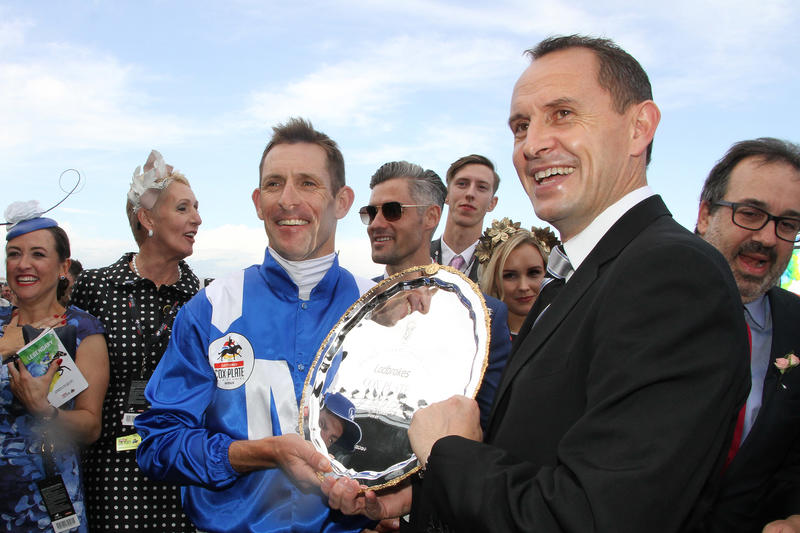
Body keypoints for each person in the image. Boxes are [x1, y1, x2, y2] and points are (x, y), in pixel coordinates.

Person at [323, 34, 750, 532]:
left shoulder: (674, 274)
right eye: (521, 126)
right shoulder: (575, 275)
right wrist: (421, 495)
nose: (532, 144)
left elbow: (595, 516)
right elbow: (536, 458)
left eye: (563, 114)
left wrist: (446, 453)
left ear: (639, 128)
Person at [134, 118, 374, 532]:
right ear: (258, 202)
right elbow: (158, 444)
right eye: (274, 184)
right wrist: (260, 453)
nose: (287, 200)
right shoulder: (210, 308)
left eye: (308, 183)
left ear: (342, 201)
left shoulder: (382, 308)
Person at [70, 150, 202, 531]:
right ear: (147, 219)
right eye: (183, 208)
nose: (197, 218)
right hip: (110, 472)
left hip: (177, 469)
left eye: (196, 208)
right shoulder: (96, 288)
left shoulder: (201, 299)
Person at [695, 138, 800, 533]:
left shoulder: (796, 324)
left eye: (787, 224)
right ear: (705, 214)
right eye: (751, 214)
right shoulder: (636, 304)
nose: (769, 238)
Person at [361, 161, 511, 431]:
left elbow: (487, 424)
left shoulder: (482, 315)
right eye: (371, 213)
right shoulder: (352, 300)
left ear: (431, 216)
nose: (376, 224)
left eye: (393, 211)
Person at [1, 207, 109, 532]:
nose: (23, 264)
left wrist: (44, 410)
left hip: (43, 506)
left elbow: (90, 427)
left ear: (63, 267)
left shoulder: (82, 330)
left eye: (38, 254)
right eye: (14, 254)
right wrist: (6, 347)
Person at [476, 218, 559, 339]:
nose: (523, 287)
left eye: (533, 273)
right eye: (510, 275)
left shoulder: (566, 332)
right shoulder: (476, 337)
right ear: (493, 280)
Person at [430, 155, 499, 281]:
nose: (470, 193)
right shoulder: (417, 258)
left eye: (482, 187)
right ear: (446, 195)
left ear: (492, 203)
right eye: (462, 184)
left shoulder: (499, 265)